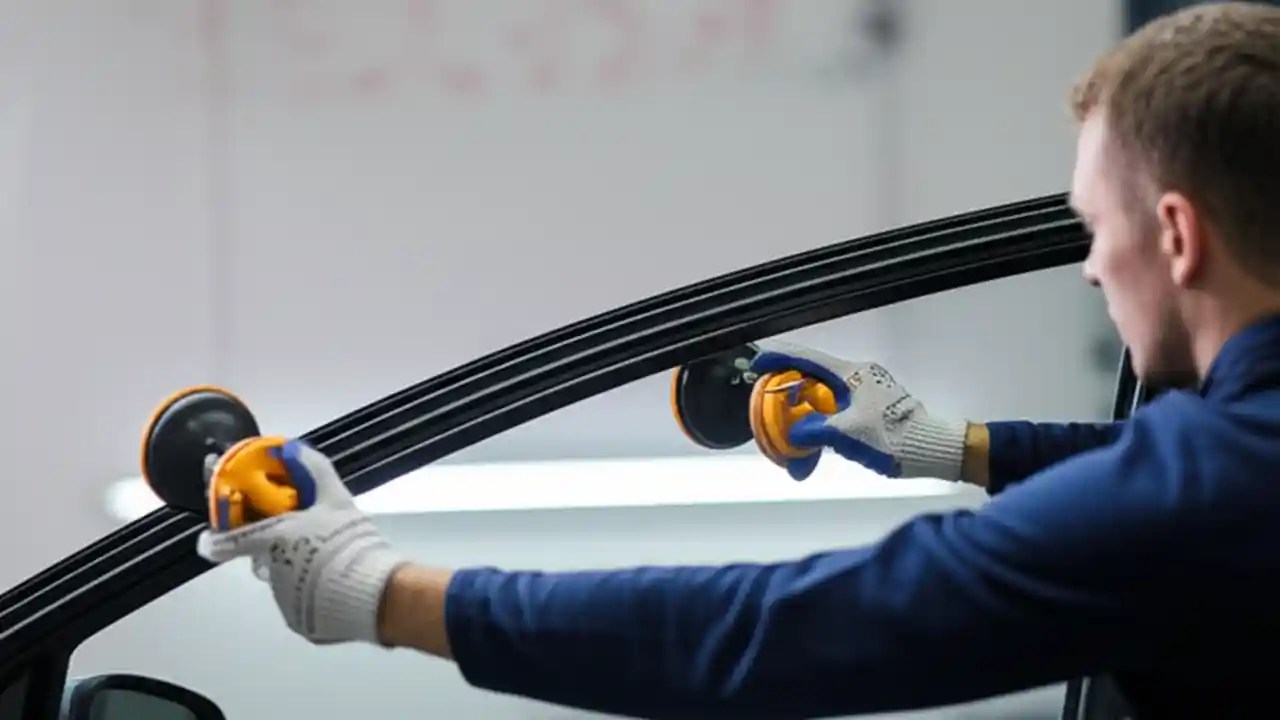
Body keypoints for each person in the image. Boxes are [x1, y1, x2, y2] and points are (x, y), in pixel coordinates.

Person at [197, 3, 1280, 717]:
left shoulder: (1206, 493)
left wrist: (378, 593)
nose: (1090, 268)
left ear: (1176, 237)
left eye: (1093, 227)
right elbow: (1155, 485)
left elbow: (784, 631)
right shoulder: (1229, 470)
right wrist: (950, 448)